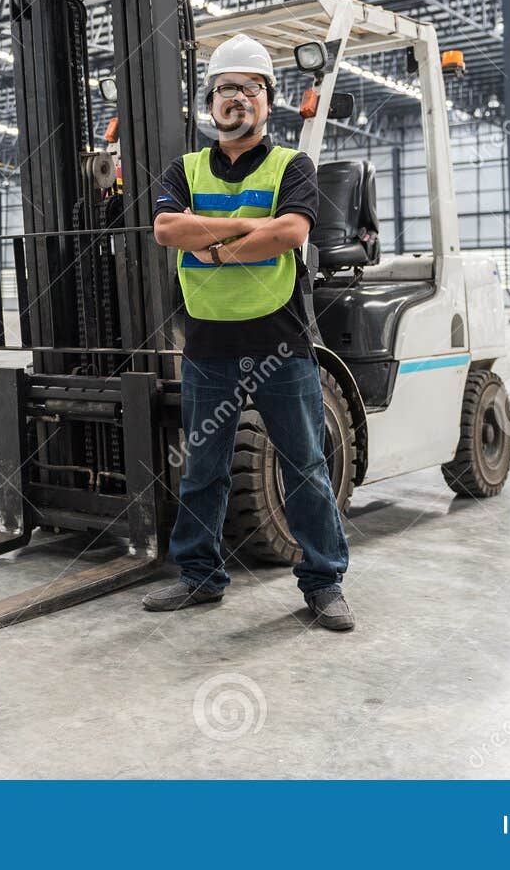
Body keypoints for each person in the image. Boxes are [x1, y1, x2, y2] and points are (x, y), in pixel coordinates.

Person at [140, 34, 354, 631]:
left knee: (304, 465)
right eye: (226, 88)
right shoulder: (184, 168)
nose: (237, 98)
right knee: (203, 467)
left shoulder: (293, 166)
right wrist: (245, 227)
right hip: (207, 343)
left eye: (250, 88)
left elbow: (290, 233)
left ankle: (323, 582)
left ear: (268, 99)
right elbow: (166, 230)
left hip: (279, 341)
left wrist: (211, 247)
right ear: (210, 101)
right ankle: (200, 575)